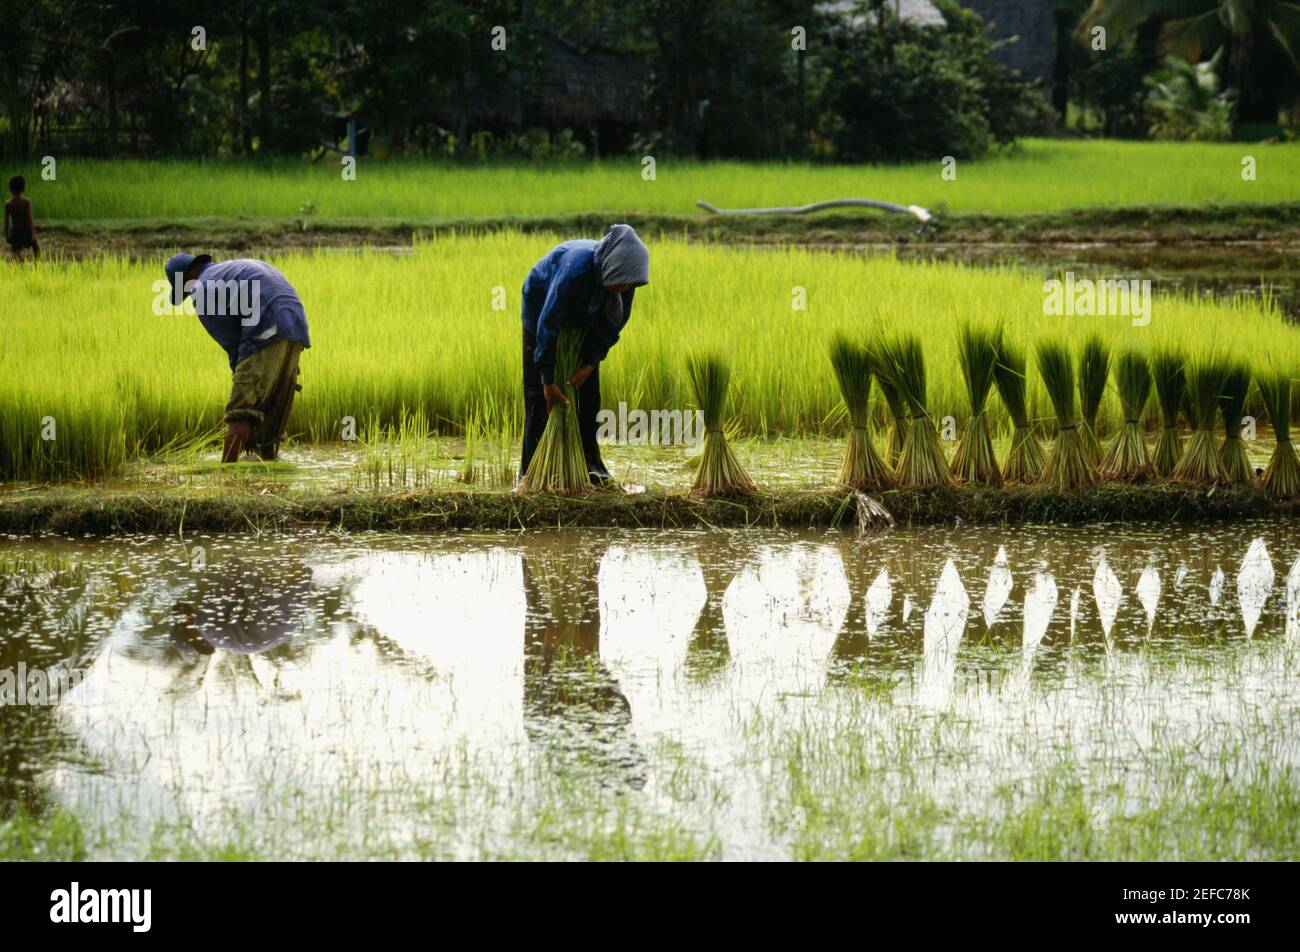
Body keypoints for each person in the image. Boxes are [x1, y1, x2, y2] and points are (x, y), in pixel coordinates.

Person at [519, 223, 650, 485]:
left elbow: (614, 325)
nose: (624, 288)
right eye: (620, 281)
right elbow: (549, 321)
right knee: (538, 400)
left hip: (586, 319)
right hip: (542, 307)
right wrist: (547, 380)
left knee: (589, 397)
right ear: (610, 268)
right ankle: (532, 473)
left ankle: (591, 468)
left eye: (628, 284)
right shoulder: (576, 270)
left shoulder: (625, 284)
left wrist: (590, 364)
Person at [164, 253, 311, 462]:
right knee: (272, 416)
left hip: (264, 328)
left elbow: (233, 343)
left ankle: (227, 476)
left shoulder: (201, 288)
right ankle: (271, 473)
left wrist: (241, 379)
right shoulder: (230, 269)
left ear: (189, 275)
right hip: (296, 326)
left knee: (240, 412)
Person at [4, 175, 40, 259]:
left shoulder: (8, 204)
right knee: (36, 249)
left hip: (15, 232)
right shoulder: (26, 202)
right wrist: (33, 232)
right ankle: (36, 266)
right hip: (25, 230)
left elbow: (6, 222)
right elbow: (29, 219)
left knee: (16, 252)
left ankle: (18, 267)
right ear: (23, 188)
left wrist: (6, 235)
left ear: (10, 188)